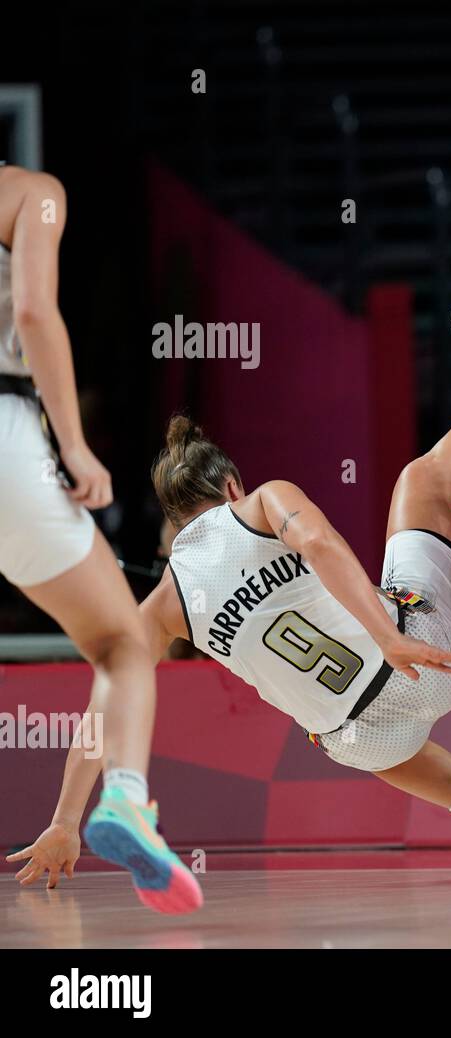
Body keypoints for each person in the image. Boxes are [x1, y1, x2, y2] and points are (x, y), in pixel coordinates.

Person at [20, 301, 451, 885]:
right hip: (423, 655)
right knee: (421, 481)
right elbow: (320, 543)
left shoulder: (162, 608)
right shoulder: (262, 500)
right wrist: (387, 637)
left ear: (173, 518)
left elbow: (104, 710)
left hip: (358, 739)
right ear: (231, 485)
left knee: (353, 733)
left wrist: (66, 820)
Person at [0, 165, 201, 913]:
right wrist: (75, 446)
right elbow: (32, 314)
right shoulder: (30, 190)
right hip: (5, 435)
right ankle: (124, 796)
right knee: (121, 640)